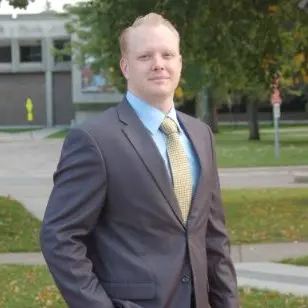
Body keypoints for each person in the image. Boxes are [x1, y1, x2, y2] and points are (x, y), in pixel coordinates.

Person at [40, 12, 239, 308]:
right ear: (125, 66)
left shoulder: (201, 135)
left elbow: (213, 237)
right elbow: (59, 238)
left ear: (180, 63)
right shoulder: (95, 140)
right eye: (145, 56)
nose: (159, 64)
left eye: (167, 54)